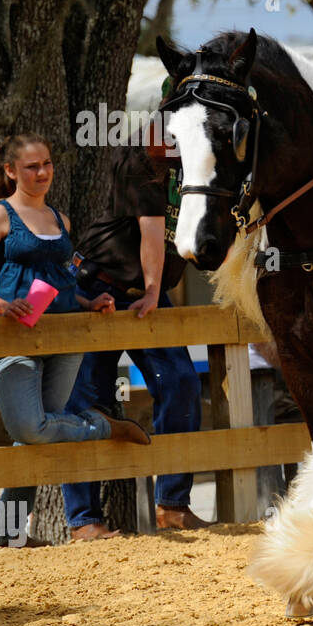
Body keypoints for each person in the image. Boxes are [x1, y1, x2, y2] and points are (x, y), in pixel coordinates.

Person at [0, 134, 151, 545]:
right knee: (32, 427)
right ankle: (101, 425)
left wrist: (88, 300)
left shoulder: (60, 220)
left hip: (65, 336)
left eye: (47, 163)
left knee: (28, 439)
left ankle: (9, 538)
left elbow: (60, 282)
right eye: (32, 166)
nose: (43, 172)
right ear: (10, 171)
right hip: (14, 339)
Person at [64, 138, 210, 531]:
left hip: (147, 290)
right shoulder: (140, 156)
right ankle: (84, 523)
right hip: (98, 284)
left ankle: (173, 507)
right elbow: (151, 231)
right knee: (85, 401)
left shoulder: (202, 164)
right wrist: (151, 290)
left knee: (181, 382)